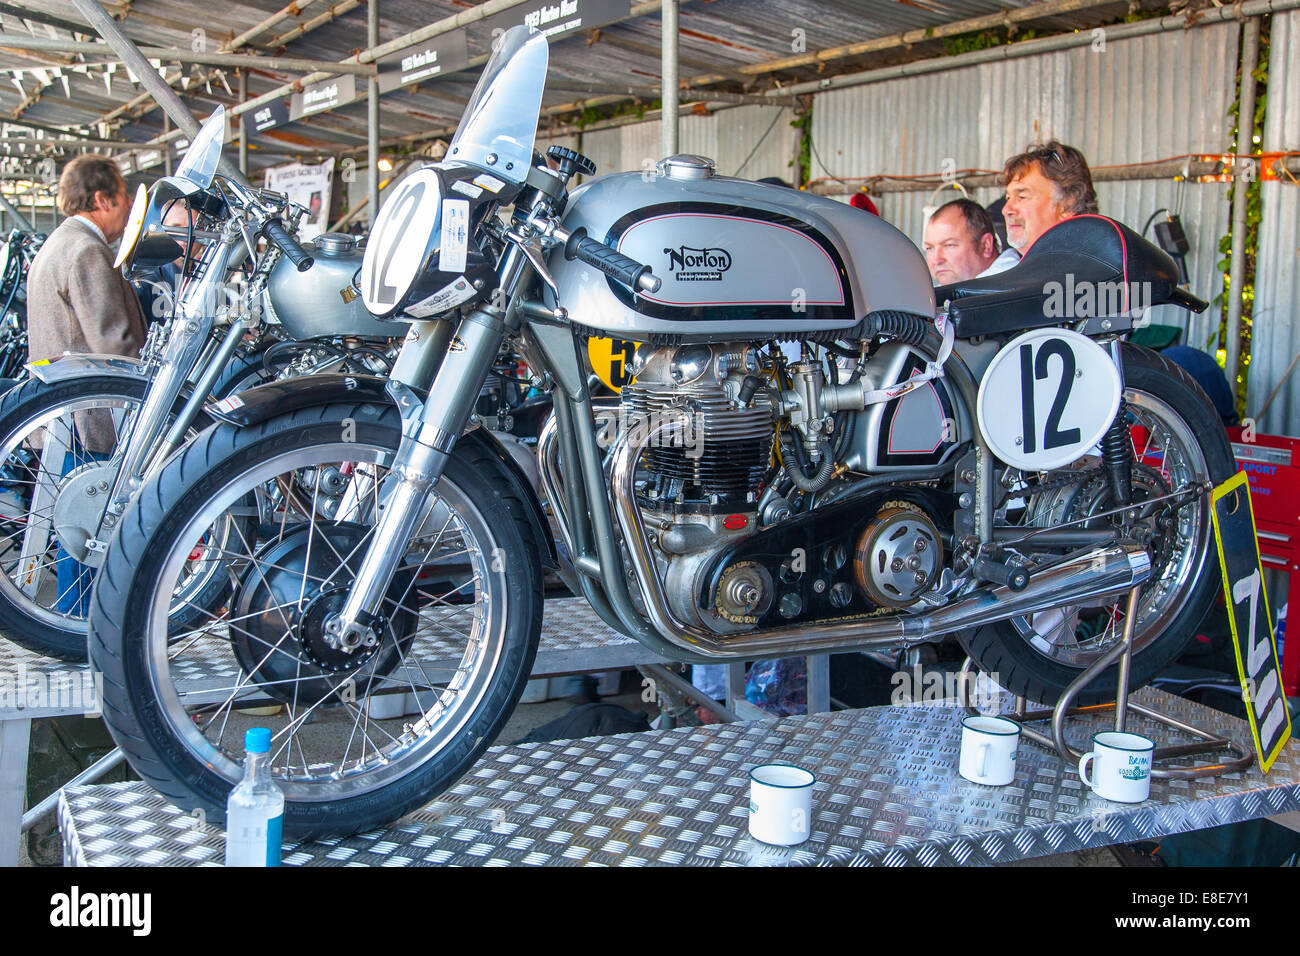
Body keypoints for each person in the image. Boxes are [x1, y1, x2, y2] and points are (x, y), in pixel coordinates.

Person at [26, 154, 146, 615]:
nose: (128, 213)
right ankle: (85, 621)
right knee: (93, 525)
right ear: (102, 198)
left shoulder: (58, 243)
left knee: (73, 524)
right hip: (92, 416)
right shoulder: (87, 250)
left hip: (63, 417)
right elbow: (112, 341)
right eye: (124, 200)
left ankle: (75, 616)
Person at [1000, 140, 1099, 252]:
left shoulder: (1090, 267)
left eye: (1022, 197)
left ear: (1067, 204)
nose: (1006, 210)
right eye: (1008, 198)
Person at [923, 198, 1017, 284]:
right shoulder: (934, 294)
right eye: (929, 248)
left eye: (949, 245)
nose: (936, 260)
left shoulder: (1011, 285)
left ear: (986, 246)